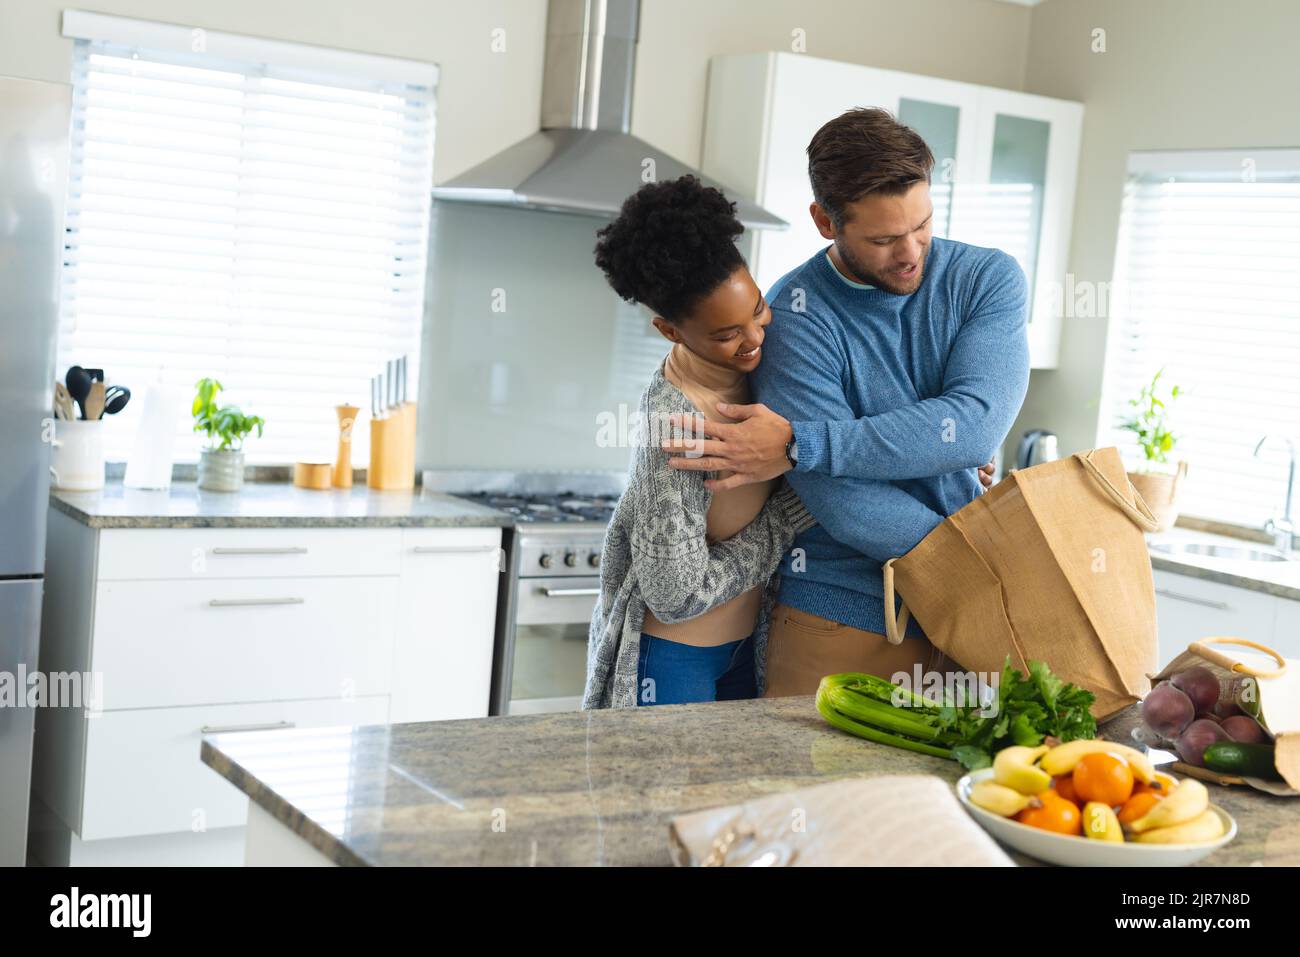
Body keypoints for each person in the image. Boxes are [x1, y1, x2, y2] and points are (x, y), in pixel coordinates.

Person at [662, 107, 1029, 695]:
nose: (911, 253)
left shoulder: (987, 278)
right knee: (808, 789)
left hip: (973, 622)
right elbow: (845, 504)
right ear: (824, 222)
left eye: (923, 224)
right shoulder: (796, 316)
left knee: (945, 790)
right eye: (883, 239)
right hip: (843, 618)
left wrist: (805, 443)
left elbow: (975, 426)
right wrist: (971, 564)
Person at [582, 175, 815, 710]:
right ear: (671, 332)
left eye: (757, 308)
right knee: (664, 797)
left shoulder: (770, 369)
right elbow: (675, 595)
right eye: (726, 334)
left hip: (749, 650)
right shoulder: (678, 425)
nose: (754, 337)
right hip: (673, 662)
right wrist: (782, 523)